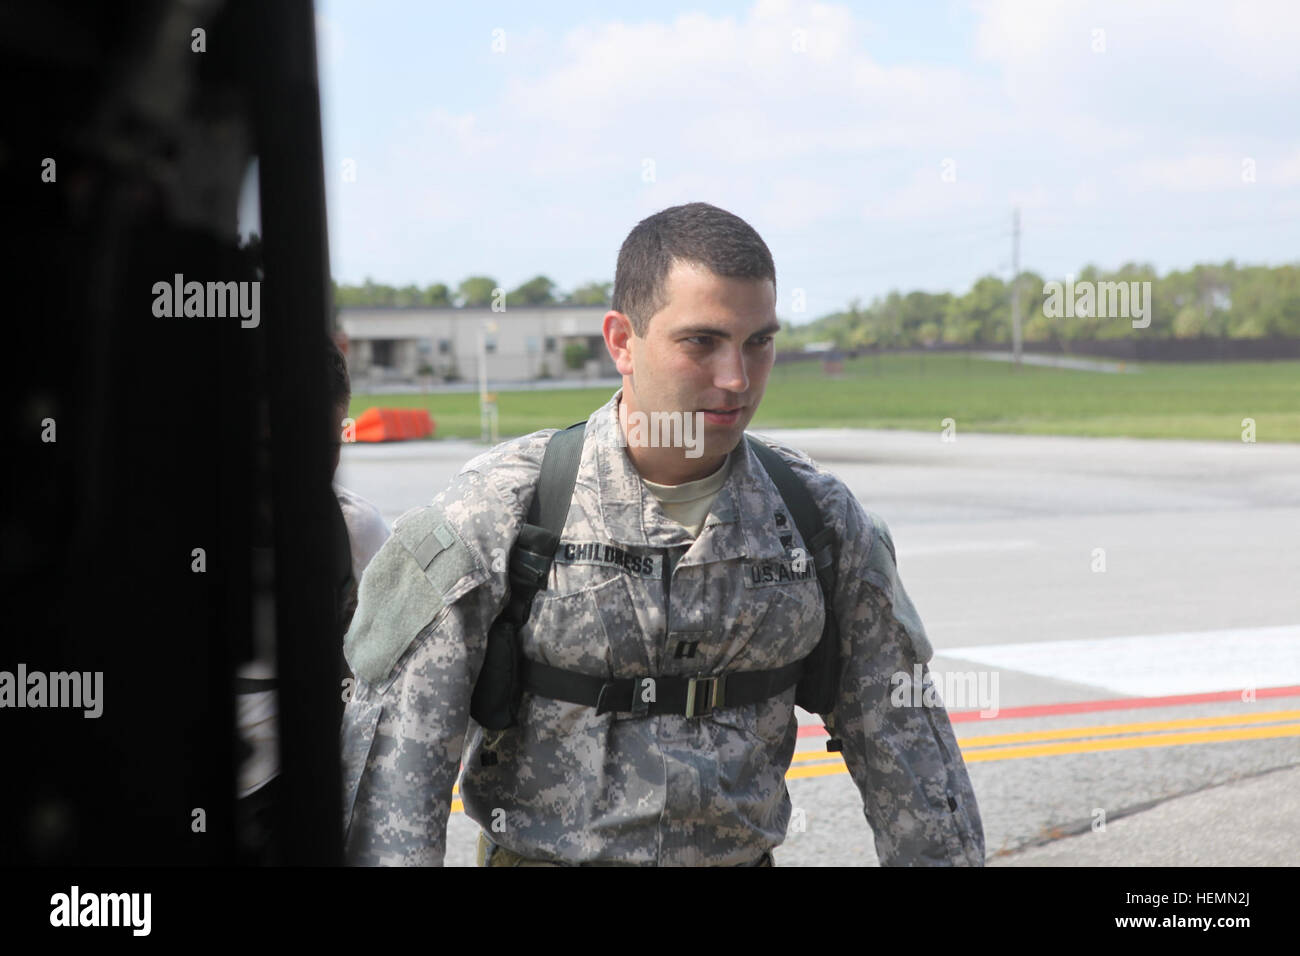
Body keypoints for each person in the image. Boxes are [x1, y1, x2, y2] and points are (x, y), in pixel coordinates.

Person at [340, 202, 985, 866]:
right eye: (702, 342)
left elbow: (912, 762)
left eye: (759, 341)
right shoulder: (500, 511)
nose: (736, 379)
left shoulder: (821, 523)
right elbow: (393, 785)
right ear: (622, 340)